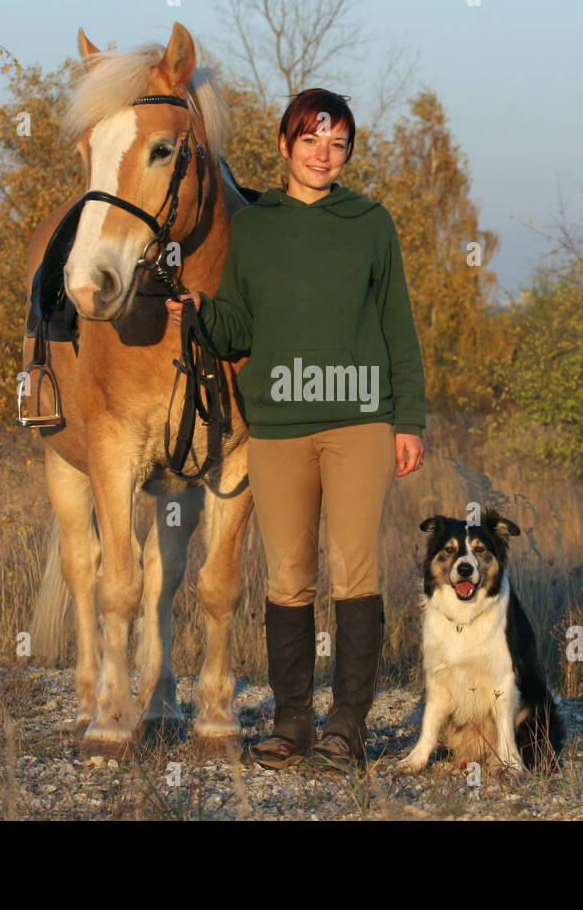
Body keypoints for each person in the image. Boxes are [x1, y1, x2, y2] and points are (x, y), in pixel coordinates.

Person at [165, 88, 426, 770]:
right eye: (311, 141)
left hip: (359, 422)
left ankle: (347, 727)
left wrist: (410, 421)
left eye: (337, 143)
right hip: (277, 425)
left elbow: (399, 326)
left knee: (354, 571)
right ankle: (291, 725)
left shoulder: (371, 223)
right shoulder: (255, 227)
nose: (323, 154)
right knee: (286, 577)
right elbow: (239, 327)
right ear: (285, 146)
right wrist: (199, 311)